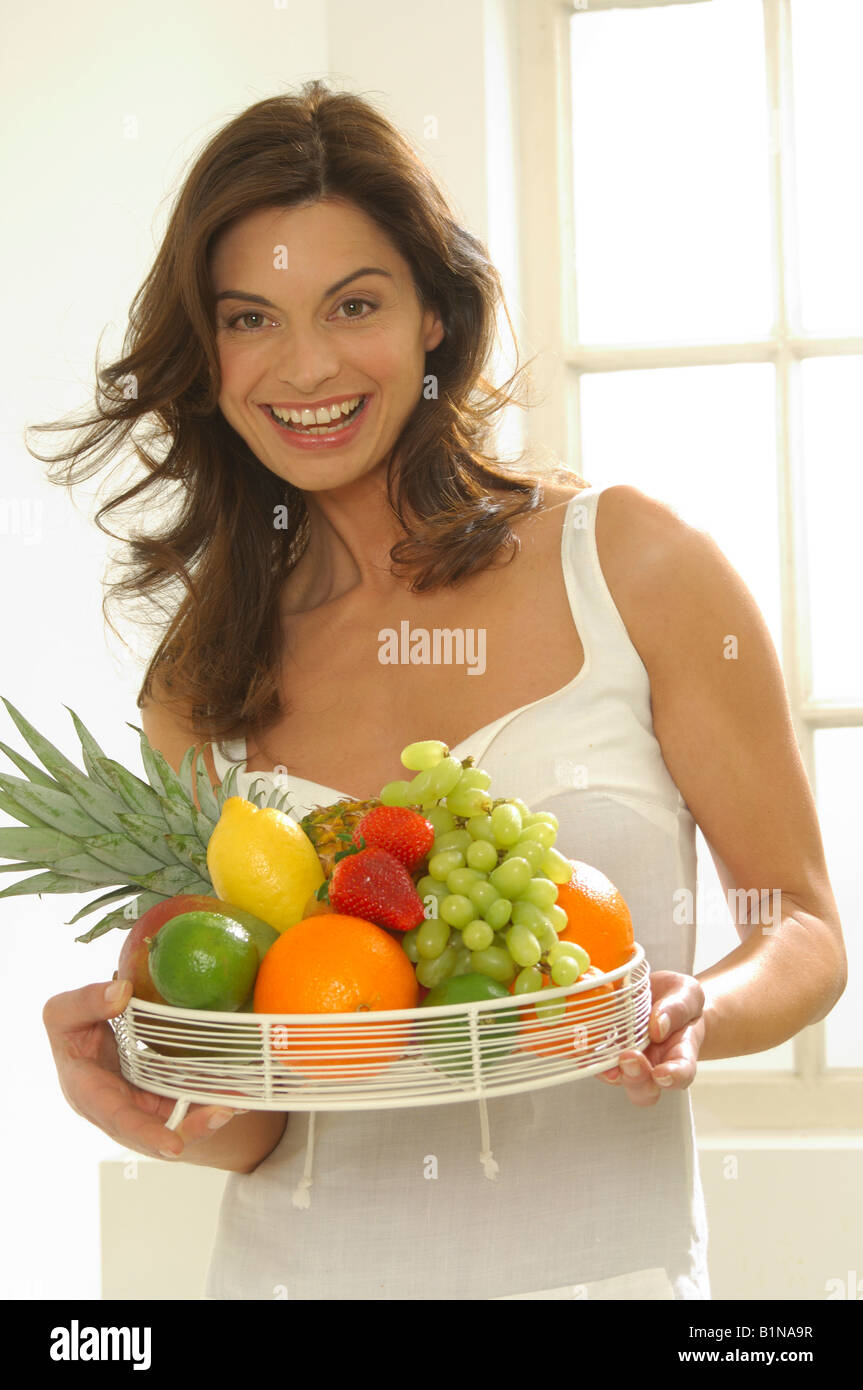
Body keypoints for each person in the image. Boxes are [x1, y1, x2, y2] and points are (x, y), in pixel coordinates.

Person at [35, 80, 846, 1301]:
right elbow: (259, 1118)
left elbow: (804, 930)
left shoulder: (629, 564)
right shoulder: (202, 679)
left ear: (433, 316)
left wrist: (696, 1007)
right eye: (250, 317)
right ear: (208, 357)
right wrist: (140, 1091)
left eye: (351, 304)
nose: (304, 364)